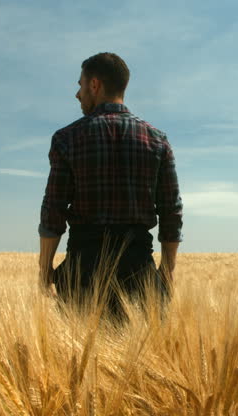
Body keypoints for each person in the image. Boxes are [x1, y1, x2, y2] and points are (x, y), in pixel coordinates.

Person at [38, 52, 183, 320]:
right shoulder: (158, 141)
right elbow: (171, 210)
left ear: (94, 85)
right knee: (142, 358)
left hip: (82, 272)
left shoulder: (67, 138)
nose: (77, 94)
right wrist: (168, 269)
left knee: (78, 356)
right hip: (139, 269)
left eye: (79, 85)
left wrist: (45, 267)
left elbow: (54, 209)